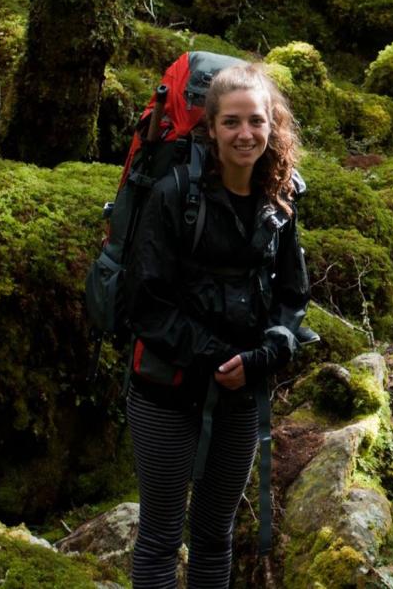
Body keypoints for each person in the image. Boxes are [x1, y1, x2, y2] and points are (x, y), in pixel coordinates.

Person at [124, 61, 312, 589]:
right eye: (231, 122)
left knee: (215, 535)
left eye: (255, 121)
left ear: (272, 126)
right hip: (166, 389)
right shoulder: (174, 195)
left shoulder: (281, 200)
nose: (244, 134)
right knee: (161, 539)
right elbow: (146, 302)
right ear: (209, 127)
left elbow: (292, 297)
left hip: (240, 392)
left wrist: (265, 355)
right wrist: (214, 358)